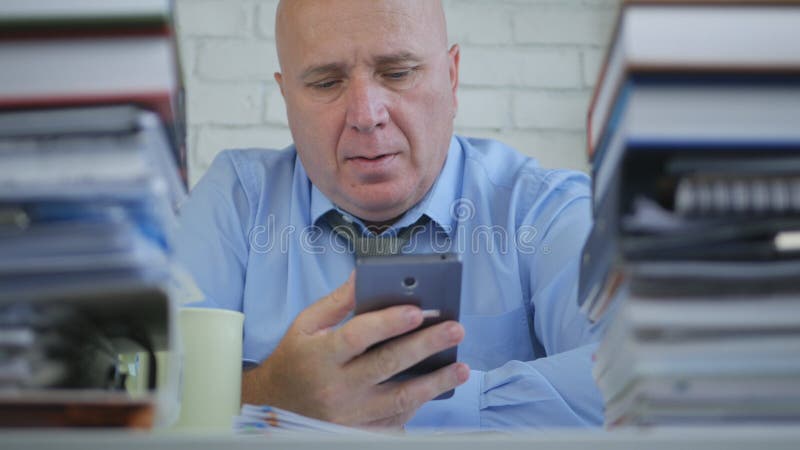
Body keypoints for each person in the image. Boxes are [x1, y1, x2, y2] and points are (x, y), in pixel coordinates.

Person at [175, 0, 604, 430]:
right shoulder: (235, 201)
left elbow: (629, 384)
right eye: (326, 83)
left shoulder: (544, 209)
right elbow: (137, 389)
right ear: (286, 97)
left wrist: (394, 405)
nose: (367, 116)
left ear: (452, 78)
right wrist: (270, 394)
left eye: (398, 73)